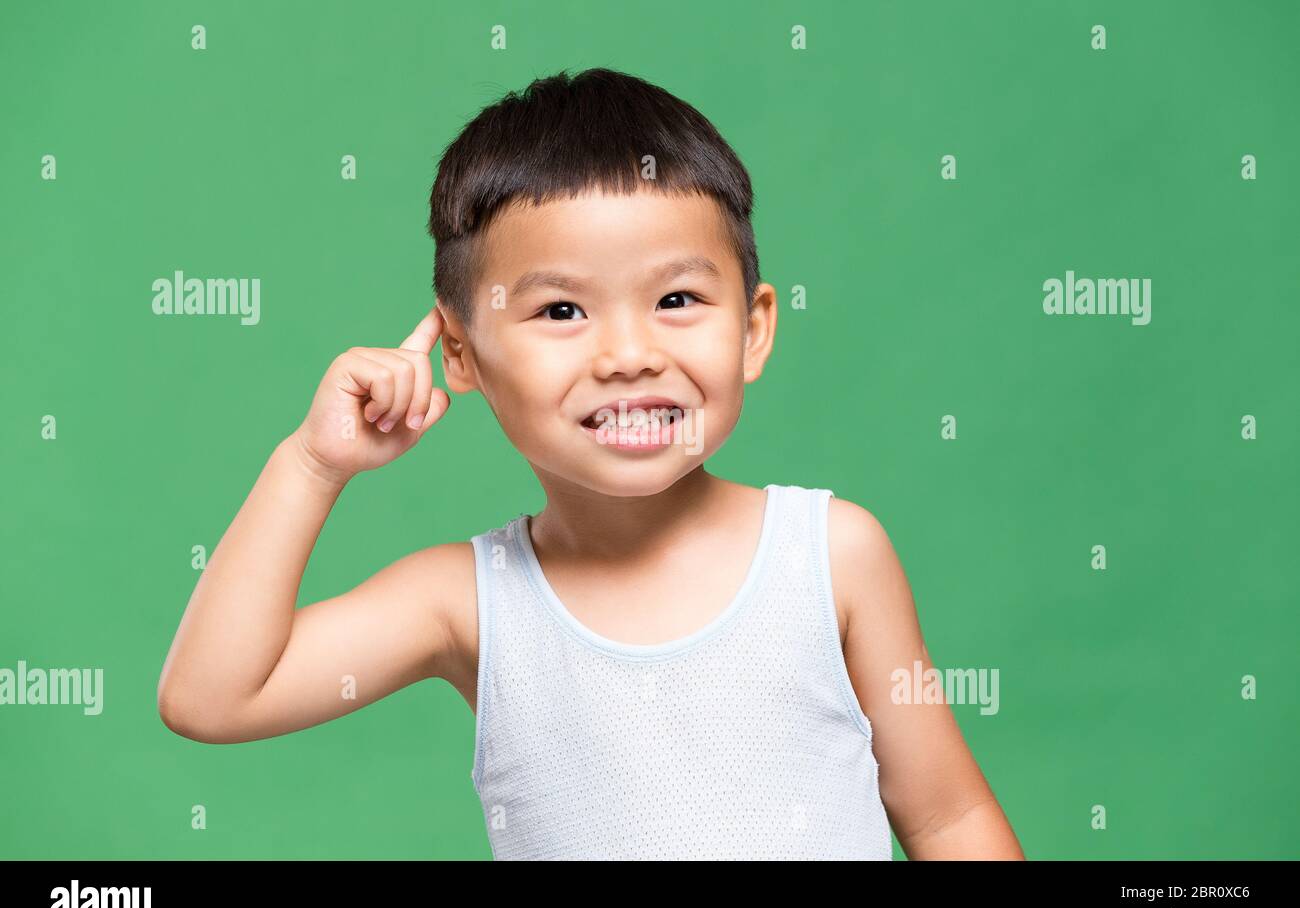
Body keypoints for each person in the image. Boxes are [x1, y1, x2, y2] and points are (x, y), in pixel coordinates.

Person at [158, 67, 1024, 861]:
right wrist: (314, 465)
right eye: (562, 310)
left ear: (753, 328)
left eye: (677, 298)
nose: (628, 356)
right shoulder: (466, 602)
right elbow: (213, 698)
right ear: (461, 355)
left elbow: (948, 819)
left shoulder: (830, 554)